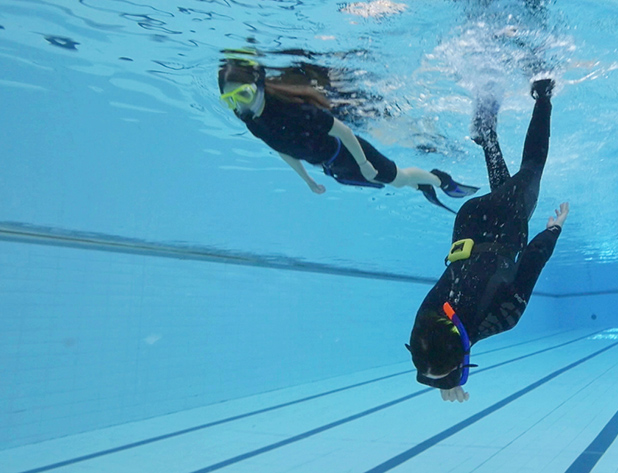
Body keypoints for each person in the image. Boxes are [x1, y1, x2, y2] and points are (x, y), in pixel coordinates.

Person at [406, 78, 569, 402]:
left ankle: (543, 94)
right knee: (505, 189)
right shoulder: (426, 319)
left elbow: (532, 261)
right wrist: (444, 374)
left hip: (506, 223)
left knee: (532, 169)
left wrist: (552, 230)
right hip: (469, 221)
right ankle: (487, 137)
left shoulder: (502, 318)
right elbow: (435, 343)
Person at [217, 58, 477, 211]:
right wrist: (307, 179)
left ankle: (441, 180)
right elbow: (282, 149)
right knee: (392, 181)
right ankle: (422, 184)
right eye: (231, 100)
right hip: (332, 165)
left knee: (398, 179)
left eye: (244, 94)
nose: (241, 105)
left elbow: (342, 129)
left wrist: (363, 163)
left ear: (258, 85)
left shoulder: (292, 109)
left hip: (351, 152)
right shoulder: (254, 123)